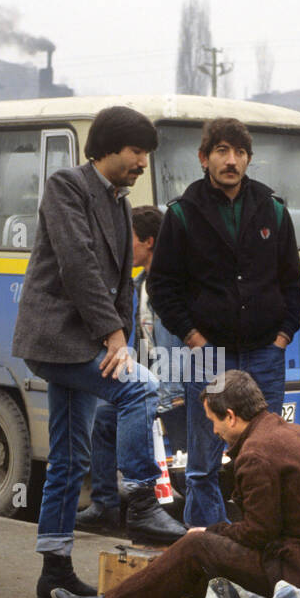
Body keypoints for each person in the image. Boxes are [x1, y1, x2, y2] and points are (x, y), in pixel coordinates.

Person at [11, 106, 187, 598]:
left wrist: (121, 333)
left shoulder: (120, 202)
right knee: (141, 389)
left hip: (85, 342)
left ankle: (54, 571)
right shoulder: (66, 186)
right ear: (108, 147)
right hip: (55, 339)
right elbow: (78, 265)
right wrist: (114, 336)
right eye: (136, 153)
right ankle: (139, 499)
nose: (141, 164)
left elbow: (120, 282)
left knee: (68, 460)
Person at [51, 370, 300, 598]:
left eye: (214, 421)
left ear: (232, 416)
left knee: (195, 546)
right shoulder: (292, 433)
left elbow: (259, 534)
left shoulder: (256, 454)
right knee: (203, 546)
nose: (214, 431)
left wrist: (211, 533)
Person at [148, 117, 300, 528]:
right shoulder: (183, 215)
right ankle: (209, 549)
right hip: (208, 353)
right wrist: (193, 337)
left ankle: (270, 545)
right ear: (204, 158)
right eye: (221, 151)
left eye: (239, 153)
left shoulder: (272, 209)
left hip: (264, 353)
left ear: (249, 160)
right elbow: (162, 286)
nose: (231, 160)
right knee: (202, 463)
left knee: (268, 455)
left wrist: (283, 335)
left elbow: (293, 282)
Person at [77, 205, 185, 533]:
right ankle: (105, 504)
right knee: (103, 419)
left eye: (131, 240)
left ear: (149, 241)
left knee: (187, 458)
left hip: (178, 387)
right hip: (147, 383)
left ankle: (195, 521)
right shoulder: (137, 284)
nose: (125, 248)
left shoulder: (176, 283)